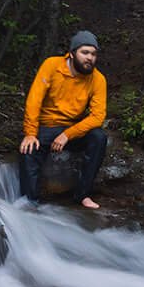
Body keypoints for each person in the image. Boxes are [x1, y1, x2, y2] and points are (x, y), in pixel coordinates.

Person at [18, 32, 110, 208]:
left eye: (93, 54)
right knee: (29, 149)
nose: (89, 58)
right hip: (46, 126)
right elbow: (34, 100)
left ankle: (83, 195)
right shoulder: (52, 65)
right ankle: (30, 203)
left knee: (99, 138)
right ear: (72, 53)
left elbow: (98, 116)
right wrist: (30, 133)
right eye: (85, 52)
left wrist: (68, 134)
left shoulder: (98, 79)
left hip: (71, 129)